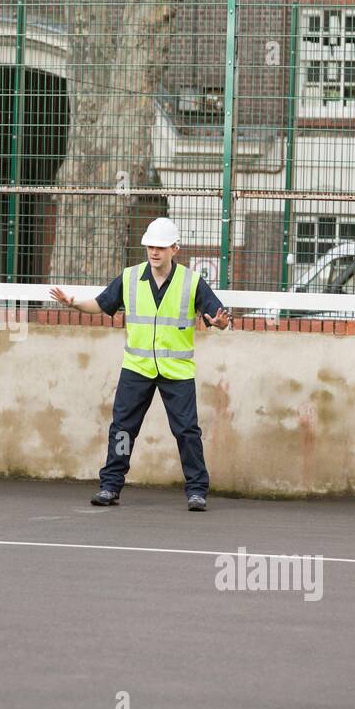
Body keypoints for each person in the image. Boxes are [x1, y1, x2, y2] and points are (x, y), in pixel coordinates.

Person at [49, 217, 231, 512]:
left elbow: (217, 316)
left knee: (186, 431)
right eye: (150, 246)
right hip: (137, 367)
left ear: (175, 249)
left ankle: (197, 491)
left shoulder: (192, 281)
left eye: (160, 247)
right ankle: (110, 486)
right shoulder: (130, 277)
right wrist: (74, 303)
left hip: (177, 370)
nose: (154, 252)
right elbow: (101, 303)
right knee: (123, 429)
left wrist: (220, 322)